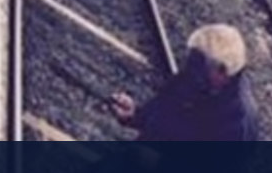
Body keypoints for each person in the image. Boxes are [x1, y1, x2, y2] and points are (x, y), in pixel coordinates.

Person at [110, 23, 259, 141]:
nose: (192, 64)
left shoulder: (237, 125)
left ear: (222, 72)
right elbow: (164, 107)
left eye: (201, 61)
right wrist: (136, 115)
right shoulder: (195, 77)